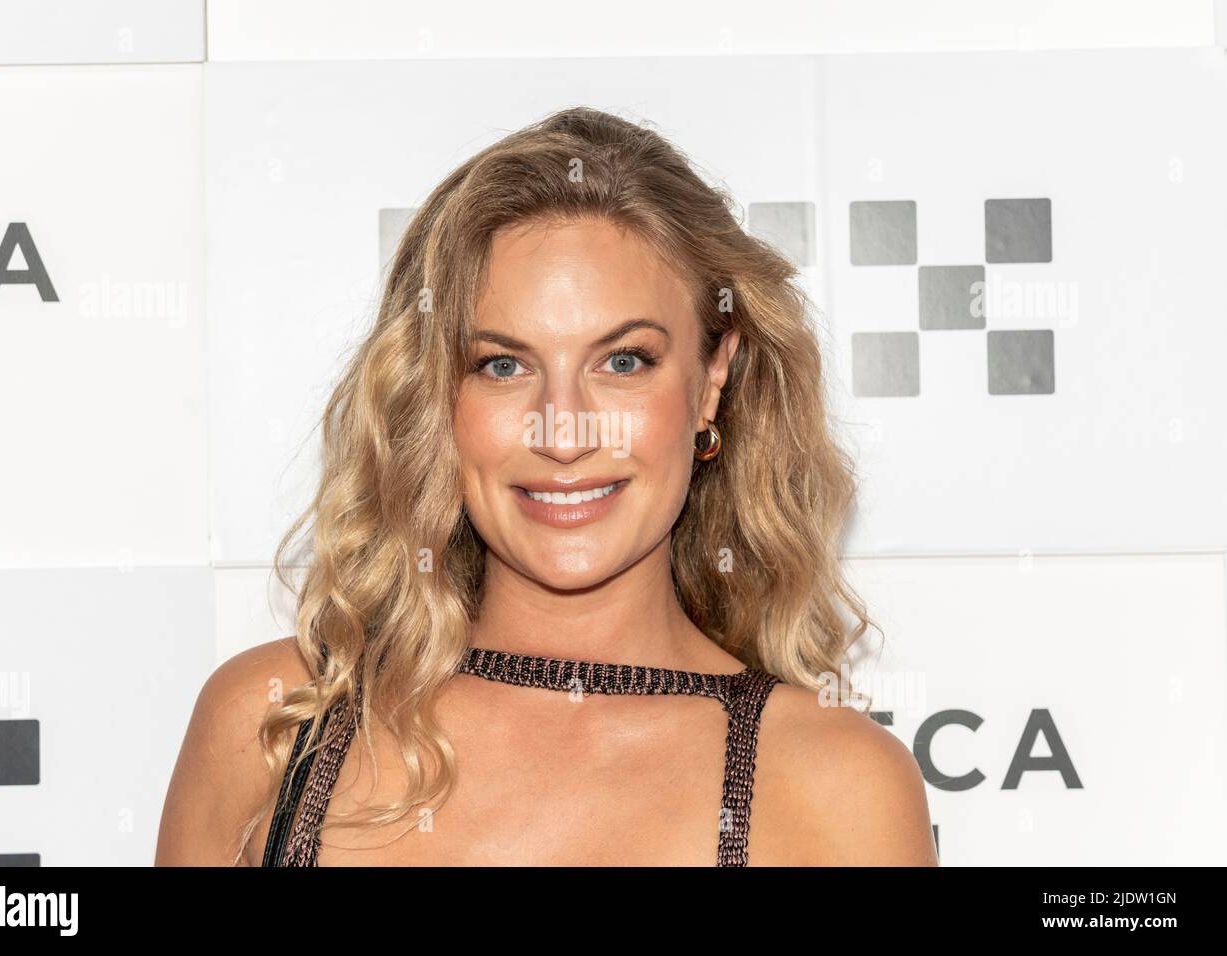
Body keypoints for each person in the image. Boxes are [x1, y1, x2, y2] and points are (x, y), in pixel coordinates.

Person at [155, 106, 938, 867]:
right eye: (503, 365)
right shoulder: (272, 727)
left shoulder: (837, 786)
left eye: (624, 361)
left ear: (711, 380)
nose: (562, 433)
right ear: (436, 397)